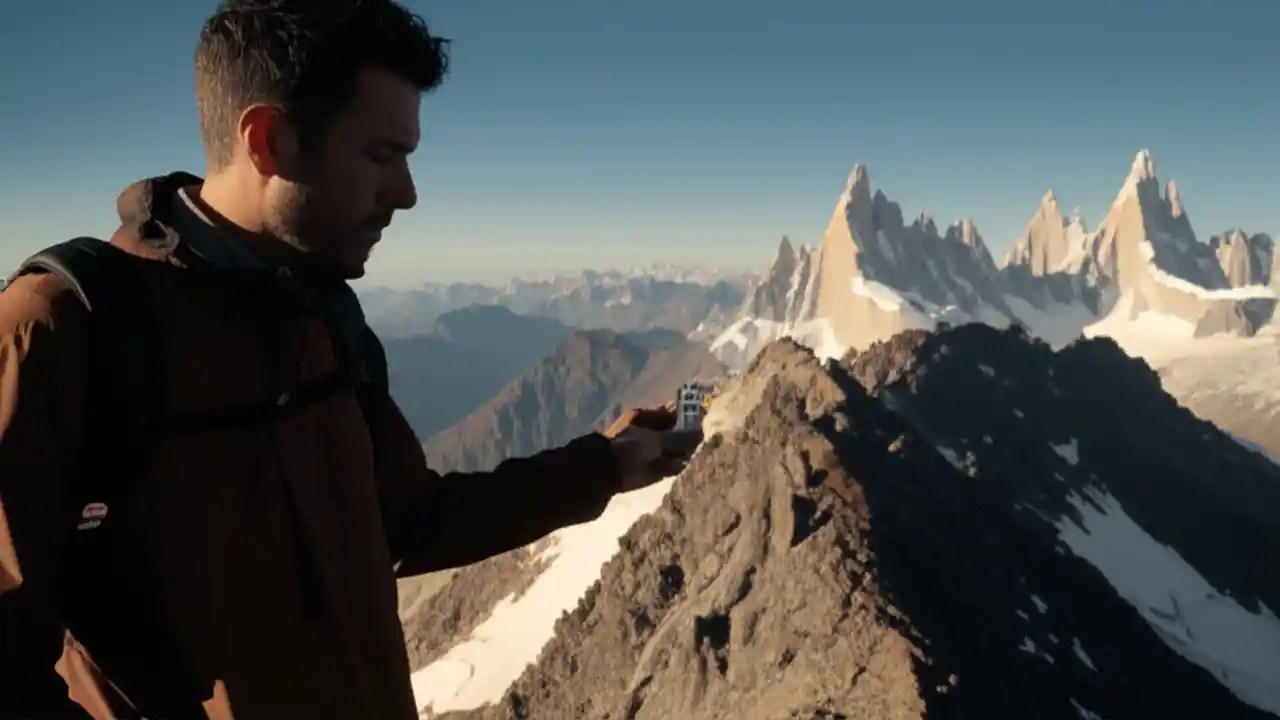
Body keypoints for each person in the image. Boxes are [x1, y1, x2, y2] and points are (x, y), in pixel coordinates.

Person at [0, 1, 699, 717]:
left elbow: (412, 522)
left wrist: (607, 464)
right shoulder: (62, 331)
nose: (408, 193)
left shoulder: (323, 316)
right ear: (269, 140)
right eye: (380, 155)